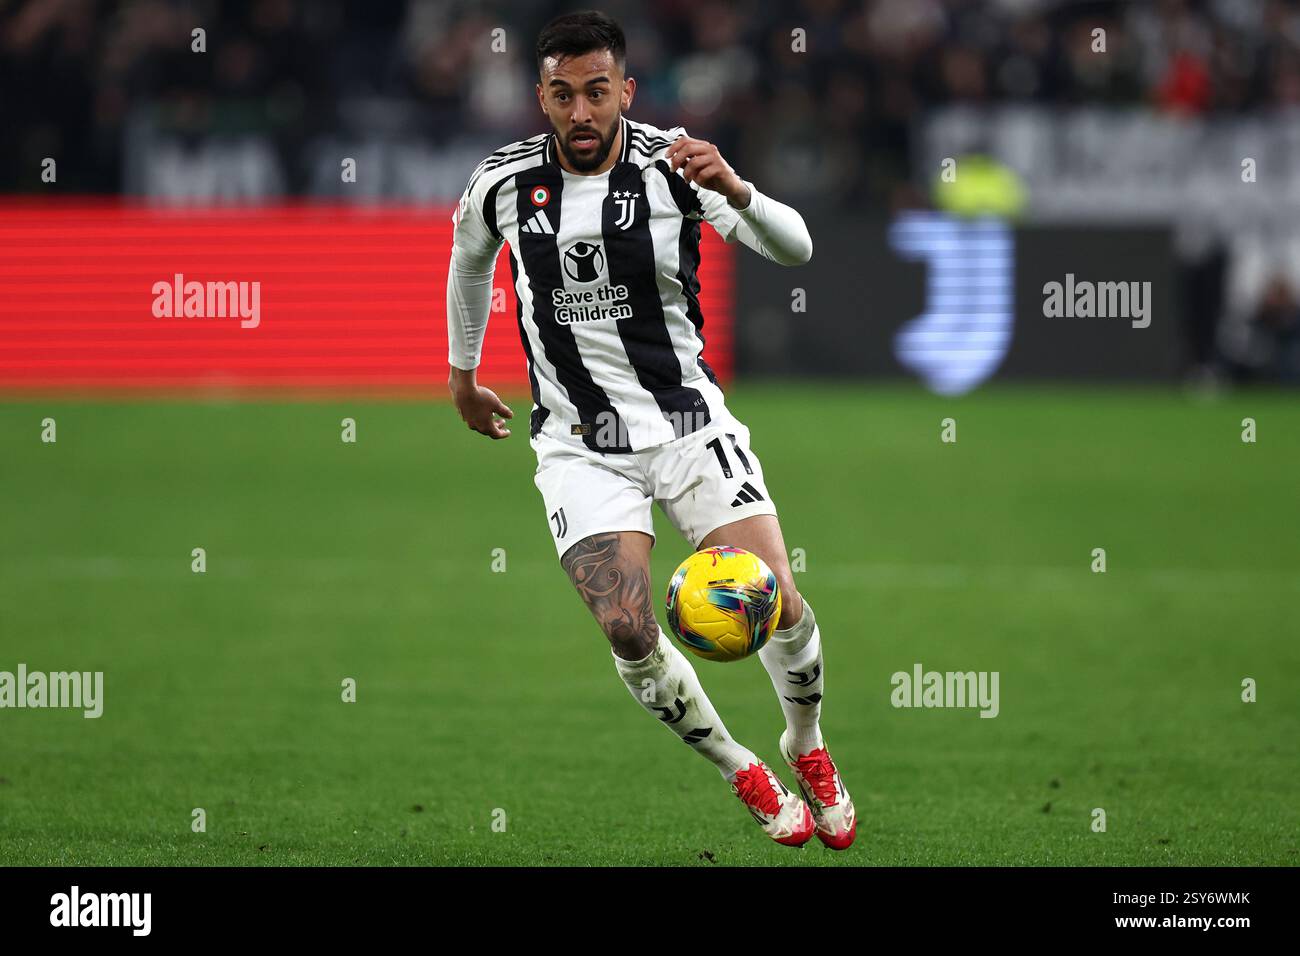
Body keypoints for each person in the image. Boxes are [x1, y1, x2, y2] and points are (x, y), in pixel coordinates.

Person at [445, 10, 853, 849]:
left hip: (687, 427)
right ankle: (740, 764)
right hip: (575, 444)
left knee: (778, 600)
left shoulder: (677, 168)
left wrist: (738, 189)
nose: (582, 112)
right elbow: (468, 257)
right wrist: (462, 375)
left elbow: (799, 249)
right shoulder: (503, 183)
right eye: (564, 95)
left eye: (598, 92)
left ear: (625, 90)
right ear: (542, 99)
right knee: (628, 623)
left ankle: (805, 743)